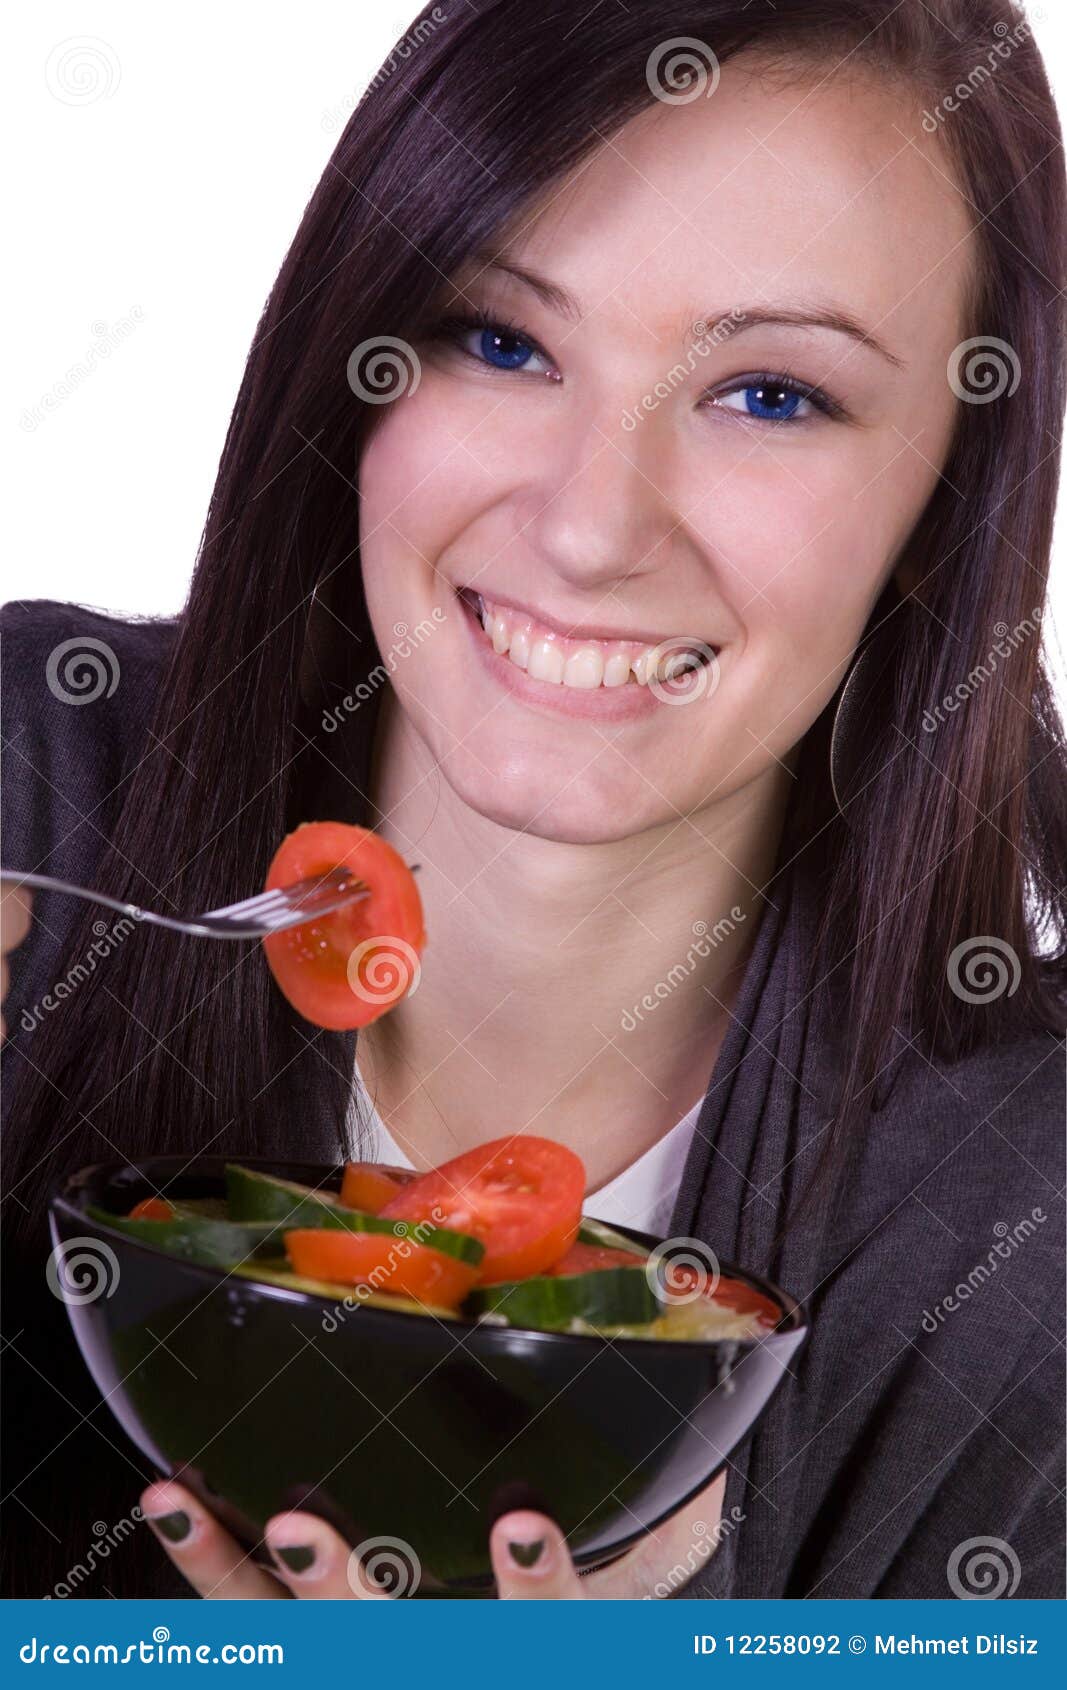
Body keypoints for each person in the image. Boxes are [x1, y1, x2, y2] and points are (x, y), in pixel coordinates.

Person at [3, 0, 1064, 1600]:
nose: (588, 526)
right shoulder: (28, 792)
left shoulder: (1022, 1234)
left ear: (947, 492)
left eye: (770, 393)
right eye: (501, 341)